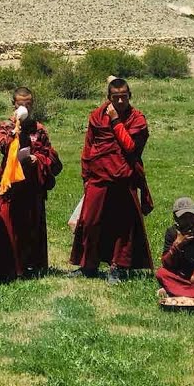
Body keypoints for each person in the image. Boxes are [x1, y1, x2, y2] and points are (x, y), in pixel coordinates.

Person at [69, 78, 153, 282]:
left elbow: (131, 147)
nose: (121, 101)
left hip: (123, 177)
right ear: (108, 98)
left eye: (124, 96)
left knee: (122, 225)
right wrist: (86, 175)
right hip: (98, 176)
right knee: (89, 222)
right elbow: (89, 147)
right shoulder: (97, 116)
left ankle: (118, 267)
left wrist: (115, 121)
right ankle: (88, 265)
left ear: (130, 95)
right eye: (116, 97)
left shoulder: (137, 119)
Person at [0, 87, 62, 280]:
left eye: (28, 103)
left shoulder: (39, 129)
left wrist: (37, 159)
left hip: (32, 185)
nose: (24, 107)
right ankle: (4, 265)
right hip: (11, 183)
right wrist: (15, 130)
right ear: (14, 104)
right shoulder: (5, 126)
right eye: (20, 103)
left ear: (33, 104)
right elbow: (3, 146)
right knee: (6, 222)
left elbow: (49, 153)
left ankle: (31, 265)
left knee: (32, 224)